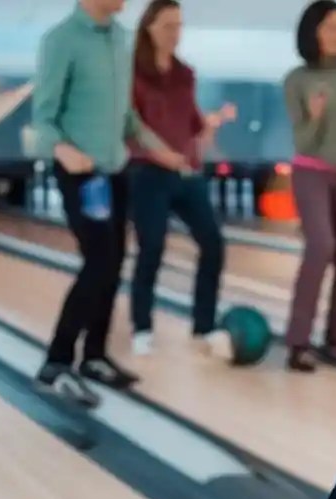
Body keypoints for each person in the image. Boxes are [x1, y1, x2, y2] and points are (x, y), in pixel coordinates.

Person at [31, 0, 187, 407]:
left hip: (115, 171)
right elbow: (43, 118)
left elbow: (128, 117)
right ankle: (56, 362)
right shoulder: (61, 41)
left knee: (114, 262)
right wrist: (63, 150)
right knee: (98, 262)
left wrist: (160, 150)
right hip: (82, 175)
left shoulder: (120, 38)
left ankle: (94, 356)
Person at [128, 0, 236, 357]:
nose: (176, 34)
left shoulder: (185, 73)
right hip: (146, 174)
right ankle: (141, 327)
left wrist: (209, 126)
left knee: (213, 243)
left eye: (179, 26)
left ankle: (203, 325)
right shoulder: (132, 73)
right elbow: (131, 129)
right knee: (152, 248)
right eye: (168, 26)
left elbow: (192, 122)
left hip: (185, 174)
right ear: (149, 29)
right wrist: (160, 154)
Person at [282, 0, 336, 373]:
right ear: (314, 32)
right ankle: (298, 342)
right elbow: (302, 141)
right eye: (332, 27)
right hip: (311, 171)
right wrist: (315, 117)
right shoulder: (296, 79)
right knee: (321, 245)